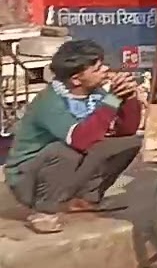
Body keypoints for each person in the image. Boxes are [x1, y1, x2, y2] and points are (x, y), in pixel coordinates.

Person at [4, 40, 143, 234]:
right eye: (97, 68)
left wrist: (128, 98)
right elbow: (80, 140)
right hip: (27, 179)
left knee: (129, 143)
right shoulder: (50, 102)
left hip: (63, 165)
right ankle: (43, 212)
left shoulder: (95, 94)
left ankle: (85, 199)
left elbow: (125, 131)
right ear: (76, 79)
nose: (105, 70)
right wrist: (112, 100)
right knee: (67, 151)